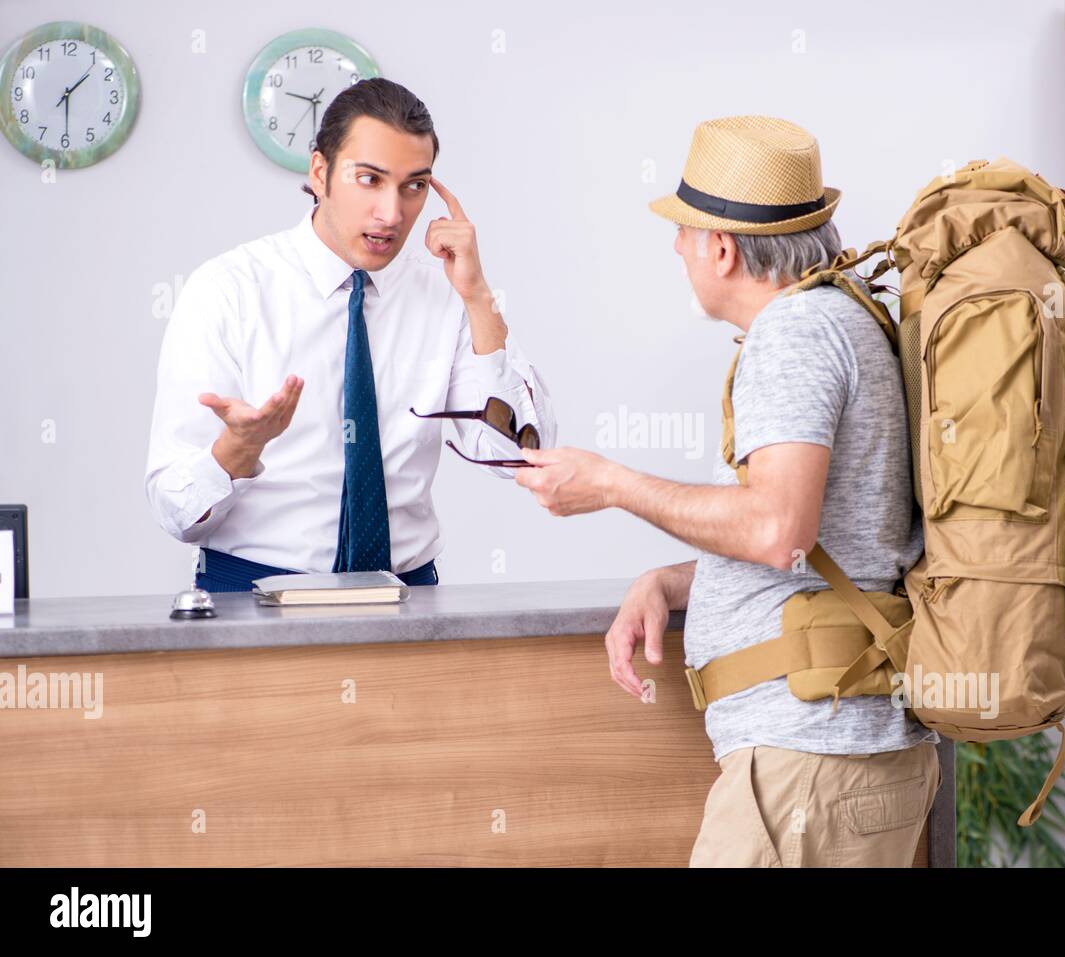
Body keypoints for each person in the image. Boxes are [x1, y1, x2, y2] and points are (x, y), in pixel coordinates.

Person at [514, 116, 939, 867]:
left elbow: (778, 529)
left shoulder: (794, 335)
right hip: (840, 757)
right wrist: (669, 581)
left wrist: (612, 482)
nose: (677, 249)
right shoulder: (848, 316)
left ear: (722, 246)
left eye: (684, 232)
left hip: (805, 766)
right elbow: (834, 538)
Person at [145, 78, 554, 591]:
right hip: (250, 598)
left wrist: (478, 297)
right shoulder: (228, 290)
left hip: (407, 600)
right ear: (320, 172)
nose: (392, 213)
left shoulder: (448, 294)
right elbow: (175, 511)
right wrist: (237, 450)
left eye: (414, 186)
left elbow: (518, 455)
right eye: (370, 180)